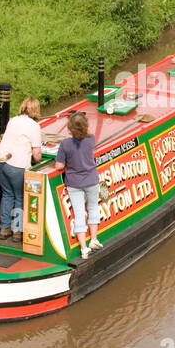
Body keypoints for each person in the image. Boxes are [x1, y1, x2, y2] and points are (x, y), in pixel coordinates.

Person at [55, 111, 103, 259]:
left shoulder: (65, 144)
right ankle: (93, 240)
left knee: (79, 213)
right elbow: (88, 131)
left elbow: (58, 166)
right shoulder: (90, 139)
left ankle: (83, 248)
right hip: (91, 180)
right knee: (93, 208)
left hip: (74, 184)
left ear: (69, 129)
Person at [0, 97, 42, 242]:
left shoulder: (13, 120)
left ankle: (4, 229)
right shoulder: (34, 126)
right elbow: (37, 155)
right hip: (17, 166)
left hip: (0, 162)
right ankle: (17, 232)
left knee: (7, 195)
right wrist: (34, 159)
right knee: (19, 197)